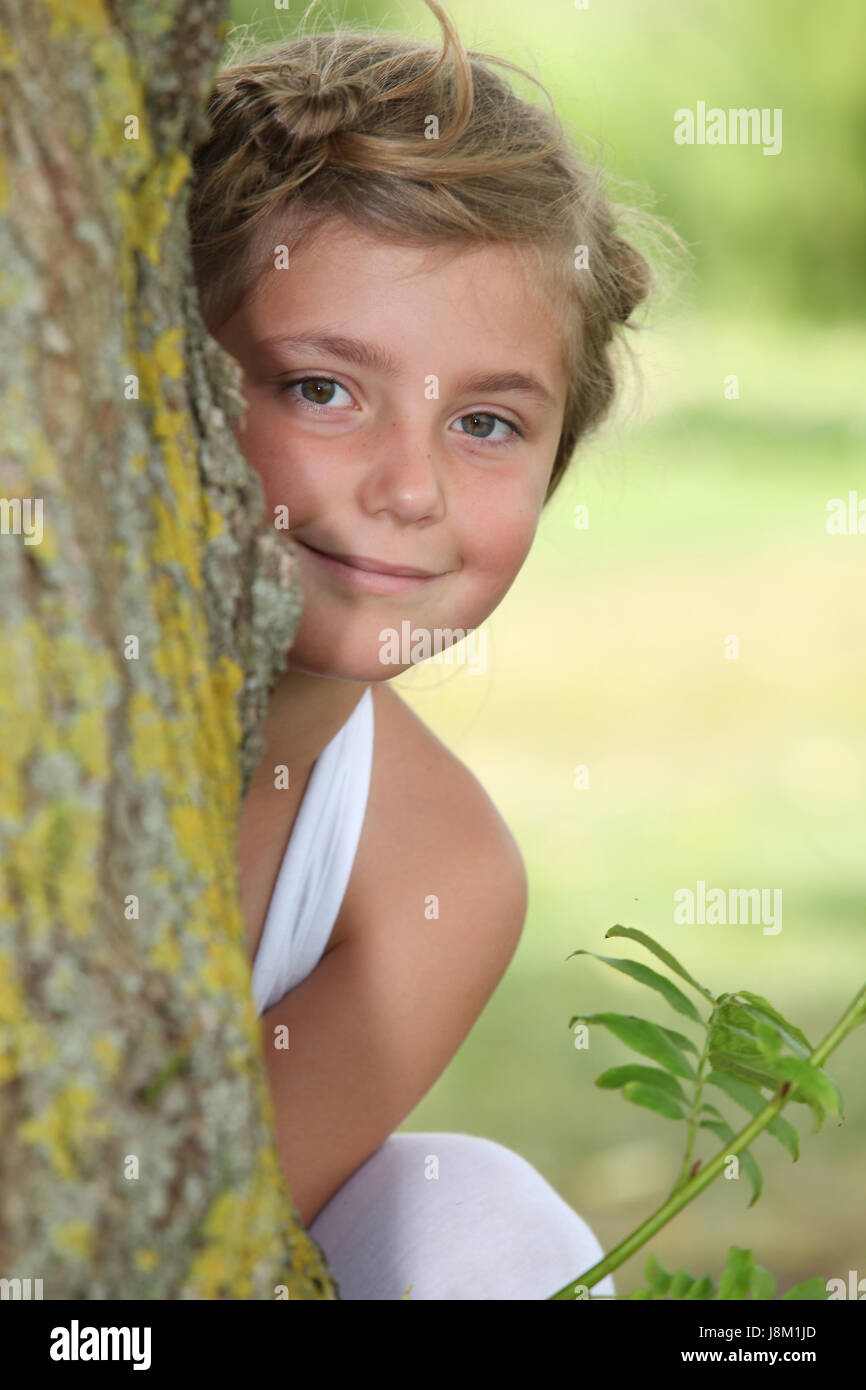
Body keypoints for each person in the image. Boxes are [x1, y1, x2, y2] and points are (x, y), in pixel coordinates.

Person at [188, 0, 659, 1299]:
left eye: (488, 423)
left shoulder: (434, 879)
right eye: (321, 389)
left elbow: (158, 1261)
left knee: (473, 1216)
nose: (409, 489)